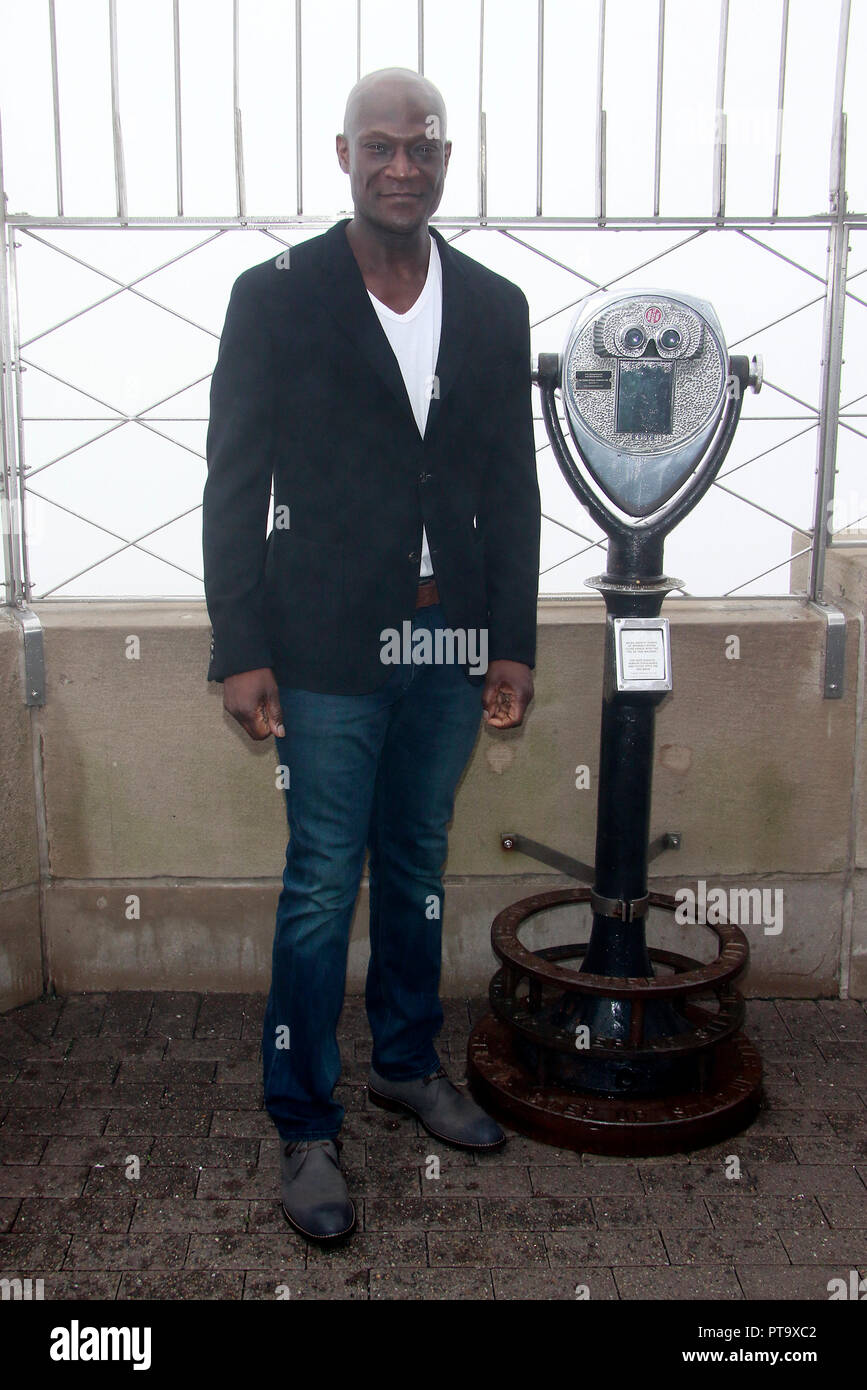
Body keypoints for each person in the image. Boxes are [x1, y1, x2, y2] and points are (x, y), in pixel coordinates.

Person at [202, 67, 541, 1244]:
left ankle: (404, 1061)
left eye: (424, 145)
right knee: (317, 888)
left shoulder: (496, 305)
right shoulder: (276, 295)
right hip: (326, 649)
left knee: (416, 867)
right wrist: (240, 646)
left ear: (448, 156)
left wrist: (513, 642)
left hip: (451, 646)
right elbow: (235, 479)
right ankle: (303, 1120)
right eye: (381, 145)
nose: (404, 164)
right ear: (341, 155)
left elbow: (511, 483)